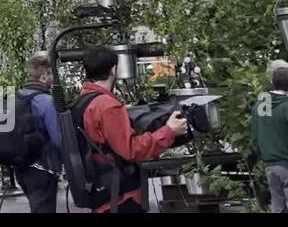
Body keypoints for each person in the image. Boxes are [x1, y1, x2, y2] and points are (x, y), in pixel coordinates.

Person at [75, 47, 188, 213]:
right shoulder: (107, 106)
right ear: (113, 70)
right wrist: (169, 131)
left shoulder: (82, 102)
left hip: (101, 191)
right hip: (120, 197)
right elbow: (132, 150)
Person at [250, 61, 288, 213]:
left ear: (273, 83)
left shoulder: (262, 106)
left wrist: (263, 156)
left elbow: (256, 137)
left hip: (270, 166)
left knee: (278, 208)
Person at [14, 53, 63, 213]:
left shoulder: (18, 97)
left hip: (22, 168)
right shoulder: (46, 102)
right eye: (53, 73)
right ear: (44, 75)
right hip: (43, 168)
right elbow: (59, 140)